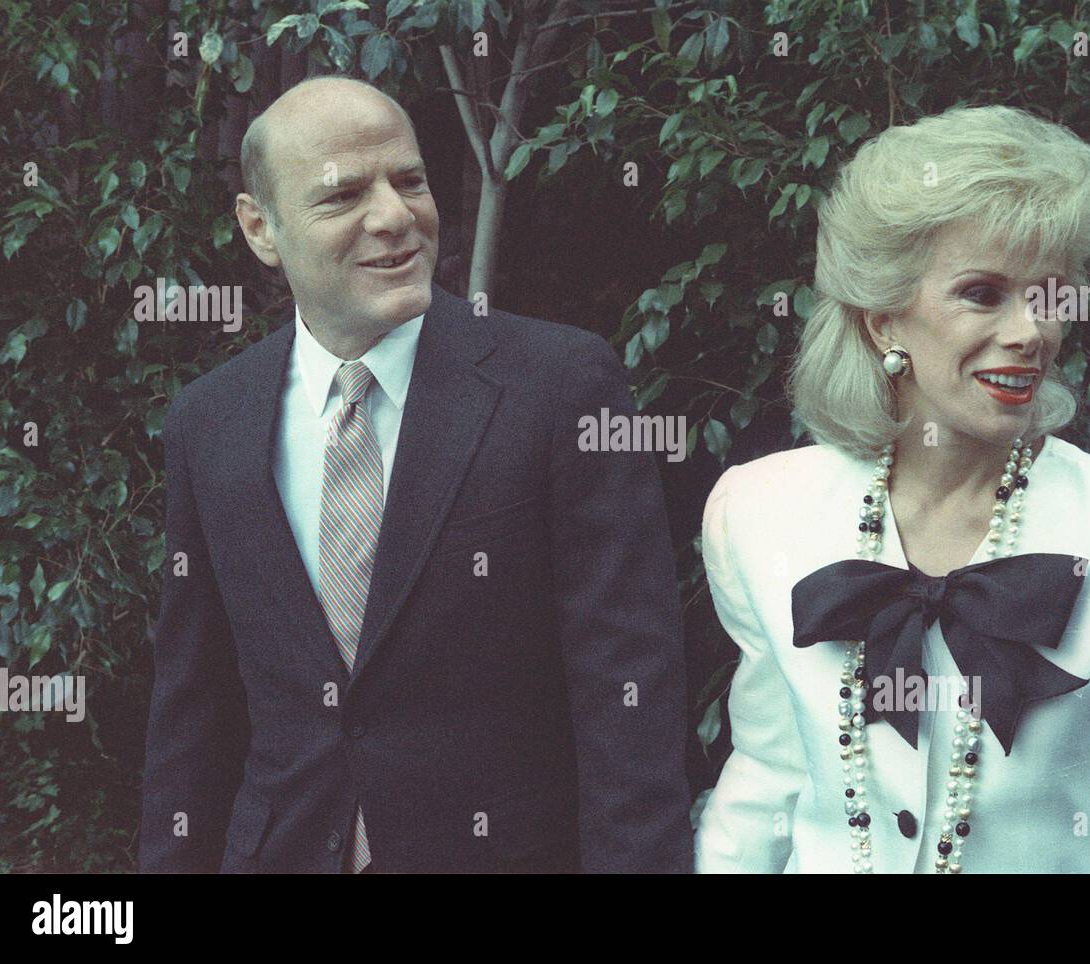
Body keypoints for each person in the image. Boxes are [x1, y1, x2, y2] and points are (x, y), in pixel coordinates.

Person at [139, 76, 692, 873]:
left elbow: (627, 689)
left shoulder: (560, 386)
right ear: (262, 228)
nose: (395, 217)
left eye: (410, 181)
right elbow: (193, 712)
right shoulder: (208, 423)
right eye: (344, 196)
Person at [695, 105, 1090, 873]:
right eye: (983, 293)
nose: (1032, 331)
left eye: (1051, 295)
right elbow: (764, 785)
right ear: (884, 317)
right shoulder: (757, 512)